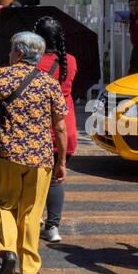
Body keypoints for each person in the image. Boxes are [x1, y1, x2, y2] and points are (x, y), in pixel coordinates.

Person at [0, 32, 68, 274]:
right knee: (32, 213)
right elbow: (60, 128)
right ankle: (27, 269)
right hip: (40, 158)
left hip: (5, 153)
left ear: (21, 53)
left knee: (2, 205)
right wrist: (62, 162)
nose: (9, 54)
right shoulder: (49, 83)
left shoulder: (2, 75)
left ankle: (9, 249)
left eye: (12, 50)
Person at [34, 16, 77, 243]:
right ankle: (53, 227)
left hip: (41, 130)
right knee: (57, 179)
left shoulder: (33, 63)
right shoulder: (71, 61)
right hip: (65, 130)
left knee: (36, 179)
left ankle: (35, 219)